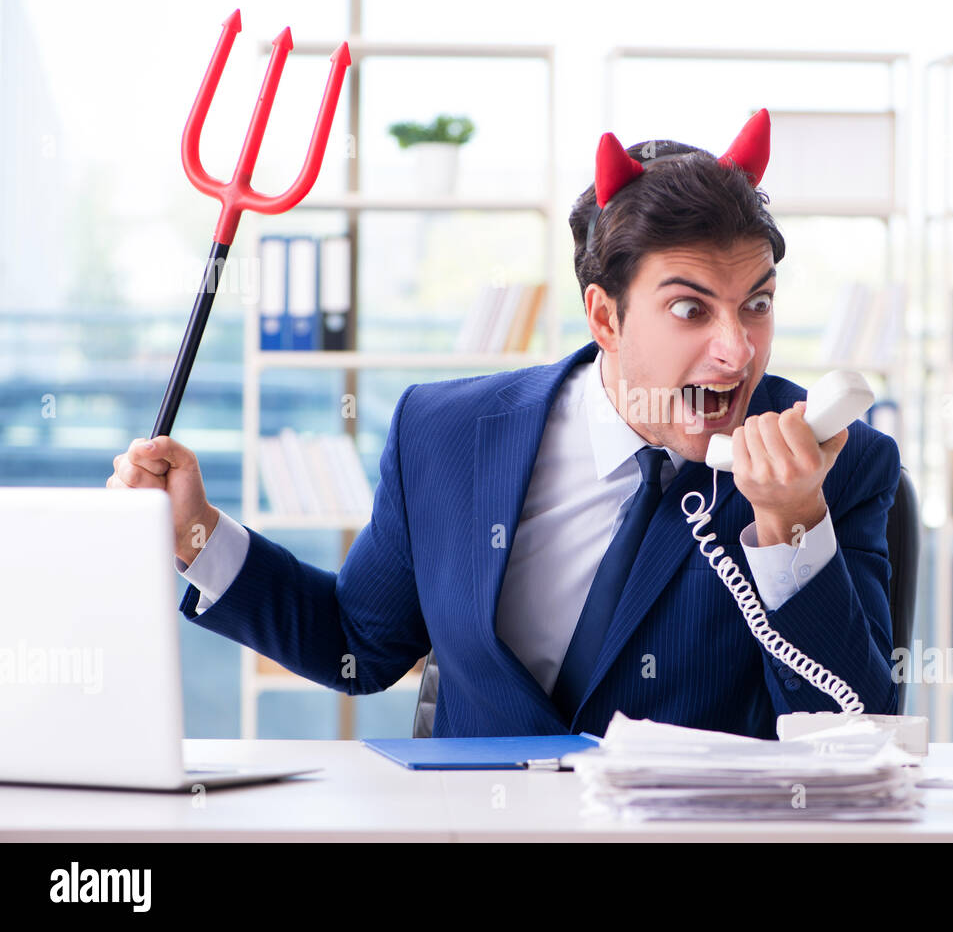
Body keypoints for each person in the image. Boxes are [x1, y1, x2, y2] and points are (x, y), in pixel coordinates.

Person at [106, 110, 901, 738]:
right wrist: (200, 534)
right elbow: (357, 643)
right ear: (606, 317)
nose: (737, 351)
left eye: (756, 304)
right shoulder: (445, 435)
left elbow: (857, 734)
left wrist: (793, 525)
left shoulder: (839, 466)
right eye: (691, 308)